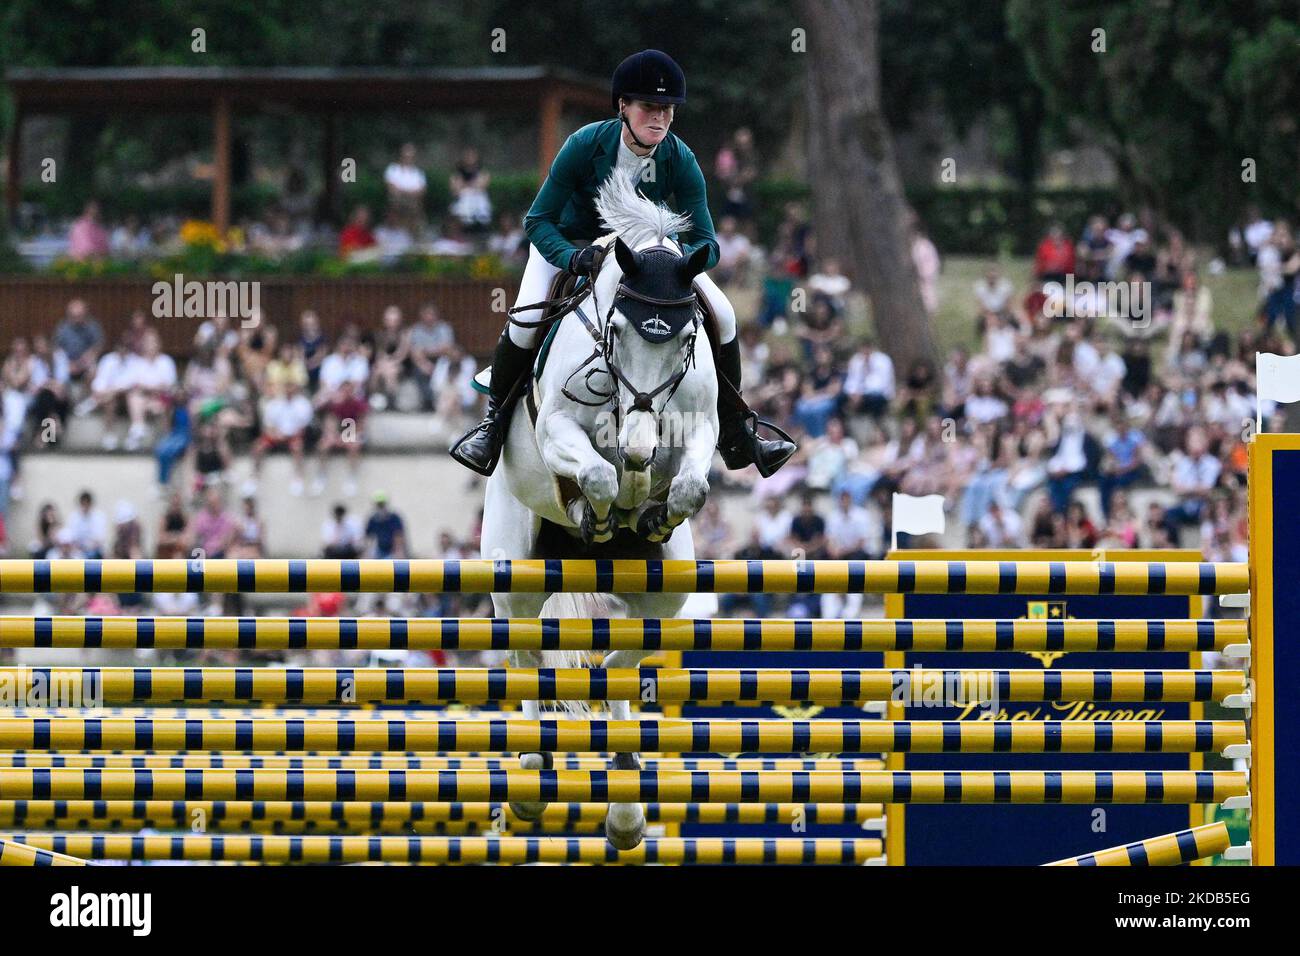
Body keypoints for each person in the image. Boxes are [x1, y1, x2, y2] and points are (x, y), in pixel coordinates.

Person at [449, 49, 794, 479]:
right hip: (571, 246)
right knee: (523, 321)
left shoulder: (679, 157)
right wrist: (572, 257)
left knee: (722, 313)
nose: (660, 119)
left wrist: (683, 264)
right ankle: (492, 426)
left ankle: (739, 432)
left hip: (646, 257)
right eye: (649, 107)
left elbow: (707, 240)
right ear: (623, 107)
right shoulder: (584, 145)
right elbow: (537, 220)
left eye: (667, 109)